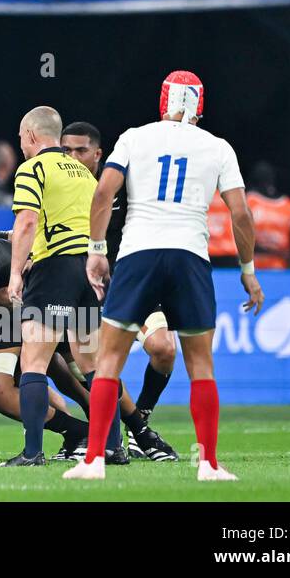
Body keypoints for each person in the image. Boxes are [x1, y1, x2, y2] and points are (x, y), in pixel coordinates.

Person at [65, 71, 264, 482]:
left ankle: (95, 461)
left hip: (139, 253)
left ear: (162, 100)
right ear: (201, 106)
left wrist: (97, 251)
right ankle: (208, 464)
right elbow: (241, 213)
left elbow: (104, 194)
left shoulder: (135, 137)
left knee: (109, 361)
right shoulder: (218, 147)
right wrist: (248, 269)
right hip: (190, 256)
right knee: (201, 366)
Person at [61, 121, 178, 461]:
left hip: (131, 282)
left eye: (80, 150)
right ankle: (127, 435)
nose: (72, 156)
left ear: (98, 154)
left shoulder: (123, 187)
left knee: (163, 349)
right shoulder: (57, 186)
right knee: (84, 365)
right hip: (80, 288)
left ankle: (140, 421)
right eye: (66, 150)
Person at [1, 105, 107, 468]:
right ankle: (113, 447)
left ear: (30, 135)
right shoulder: (84, 172)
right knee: (93, 364)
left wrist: (16, 272)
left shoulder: (32, 169)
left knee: (34, 361)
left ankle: (32, 453)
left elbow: (27, 220)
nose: (21, 145)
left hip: (54, 271)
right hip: (87, 272)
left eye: (20, 138)